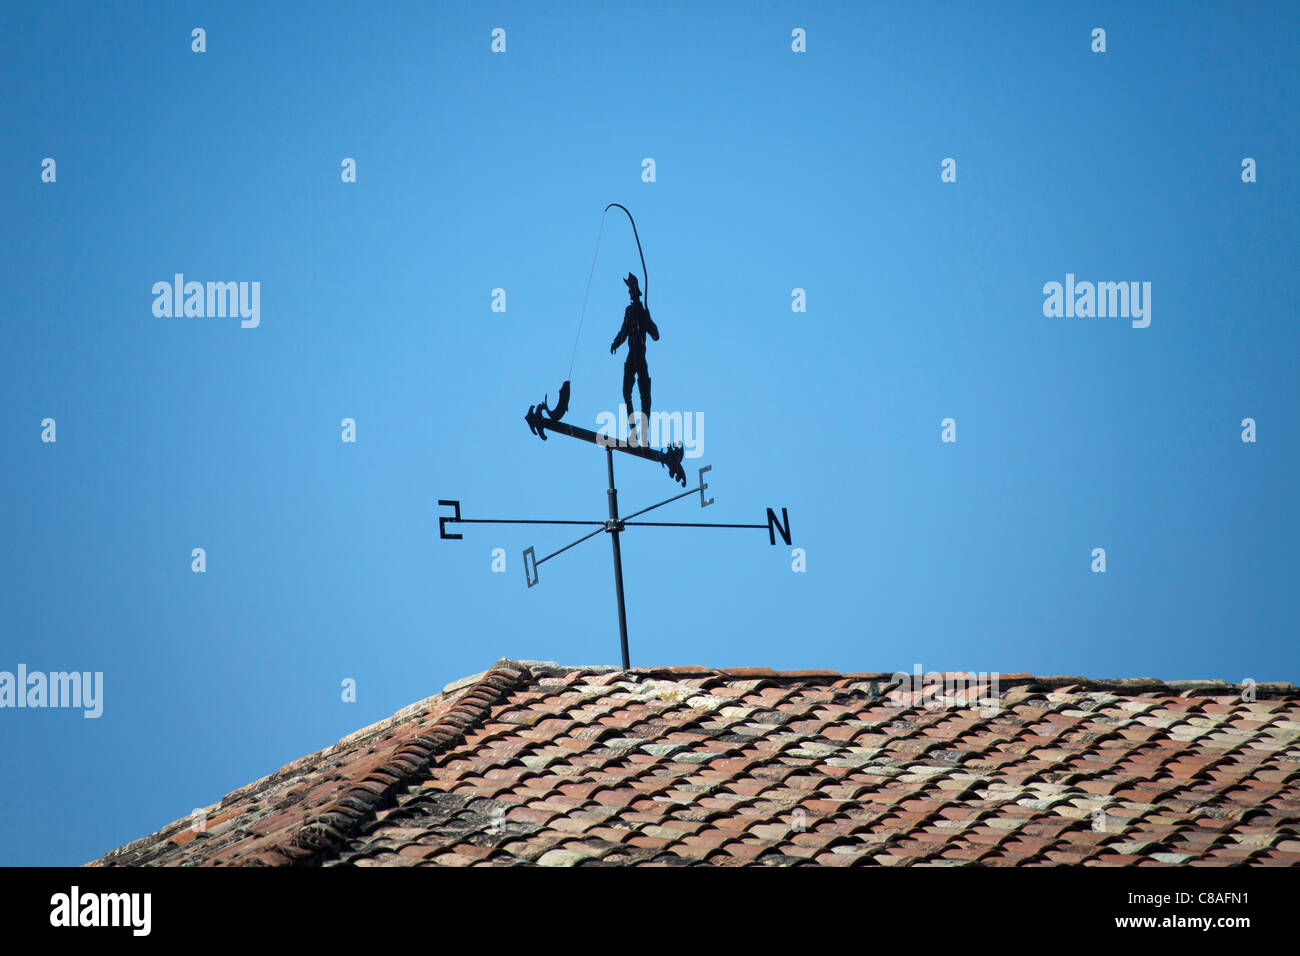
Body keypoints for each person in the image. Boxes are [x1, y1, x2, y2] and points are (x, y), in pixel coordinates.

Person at [609, 272, 658, 434]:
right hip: (633, 356)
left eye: (630, 290)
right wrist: (615, 343)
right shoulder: (630, 311)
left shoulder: (641, 312)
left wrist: (649, 318)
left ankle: (641, 431)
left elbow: (656, 335)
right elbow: (624, 332)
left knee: (644, 395)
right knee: (628, 392)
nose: (629, 293)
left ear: (634, 291)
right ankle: (635, 430)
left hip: (638, 356)